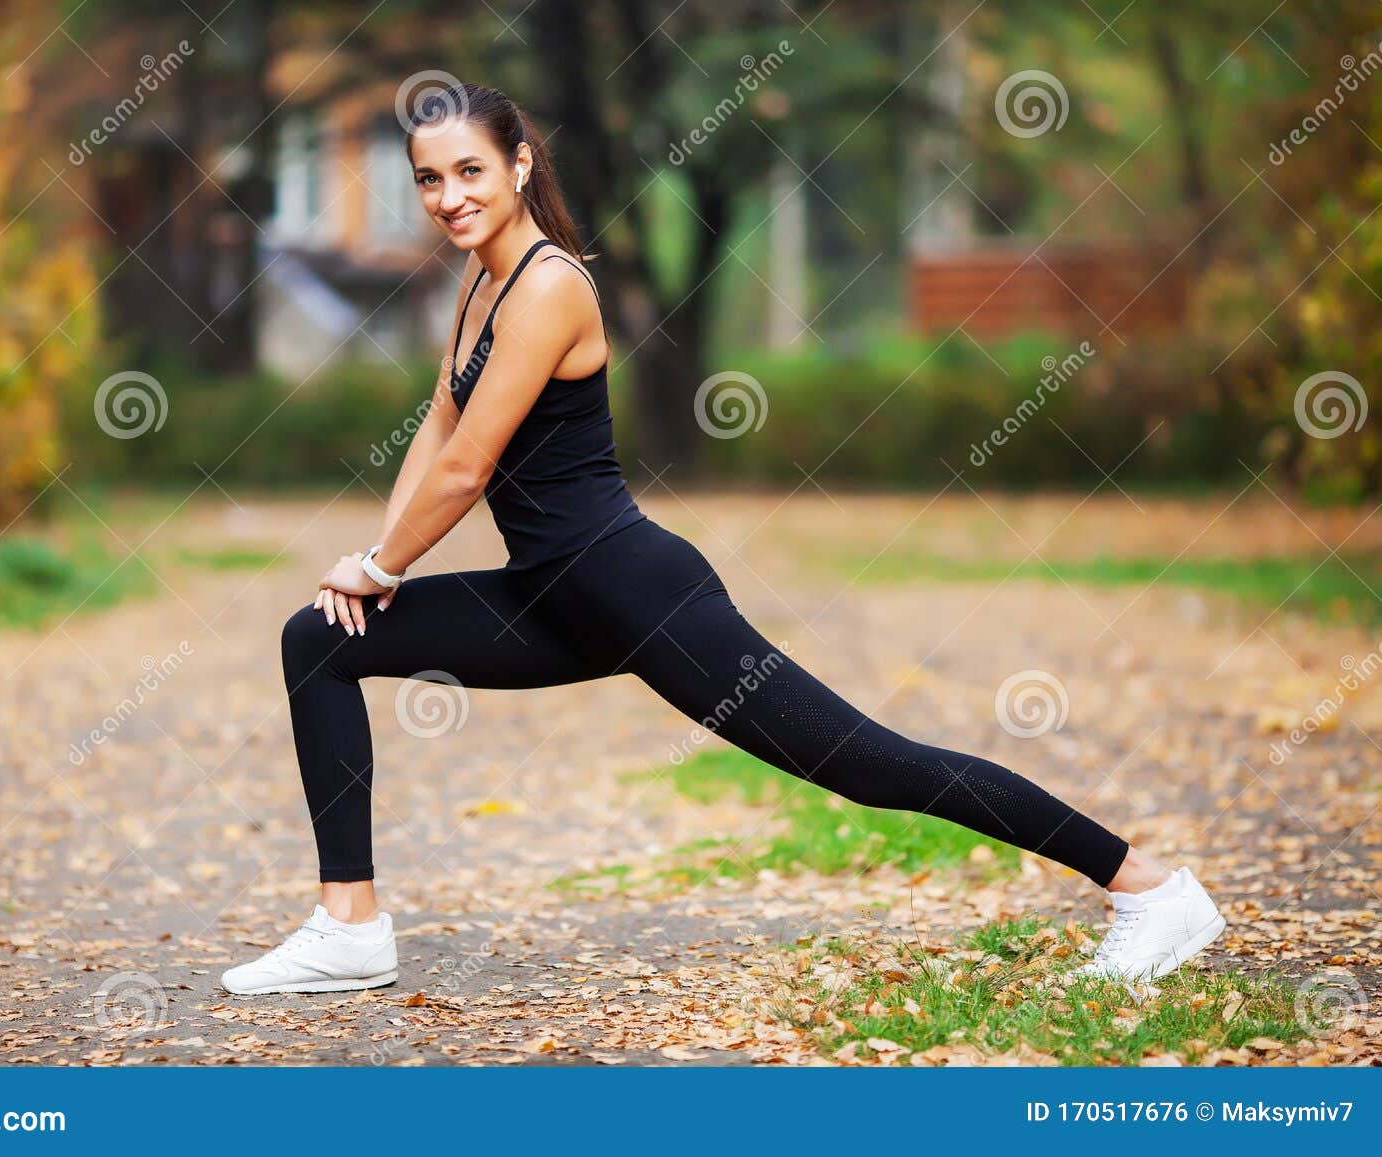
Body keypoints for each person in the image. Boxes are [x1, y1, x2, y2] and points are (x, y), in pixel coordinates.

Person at [221, 83, 1225, 997]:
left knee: (872, 765)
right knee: (320, 638)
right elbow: (441, 423)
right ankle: (349, 925)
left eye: (469, 171)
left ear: (520, 164)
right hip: (552, 597)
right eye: (428, 180)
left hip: (637, 593)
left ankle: (1148, 886)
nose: (448, 196)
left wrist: (382, 565)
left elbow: (466, 468)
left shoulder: (548, 285)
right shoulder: (481, 282)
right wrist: (376, 562)